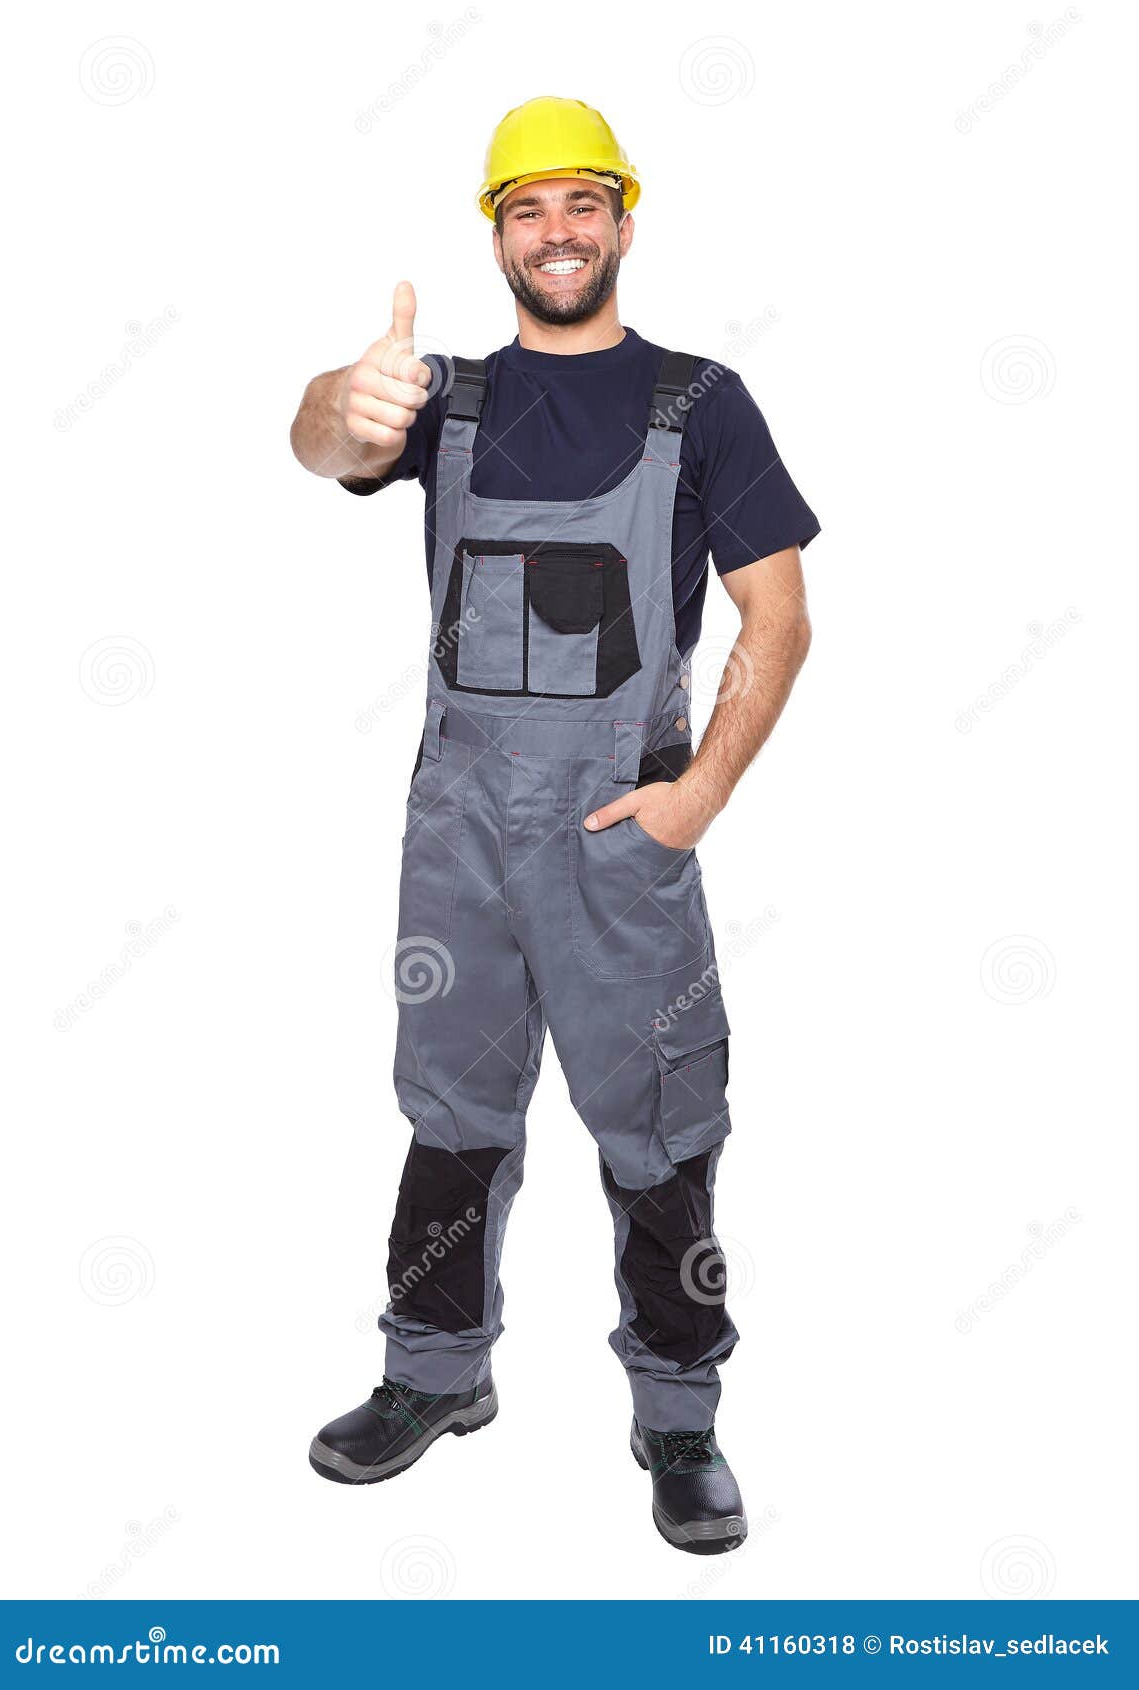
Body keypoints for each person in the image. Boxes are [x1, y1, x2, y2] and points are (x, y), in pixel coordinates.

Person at [290, 95, 819, 1555]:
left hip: (612, 830)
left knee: (659, 1130)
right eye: (527, 209)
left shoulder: (698, 403)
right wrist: (345, 394)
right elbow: (320, 443)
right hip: (456, 824)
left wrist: (691, 802)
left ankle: (679, 1410)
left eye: (583, 203)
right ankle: (433, 1374)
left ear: (624, 219)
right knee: (450, 1112)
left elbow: (779, 616)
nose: (559, 231)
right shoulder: (442, 399)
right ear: (499, 235)